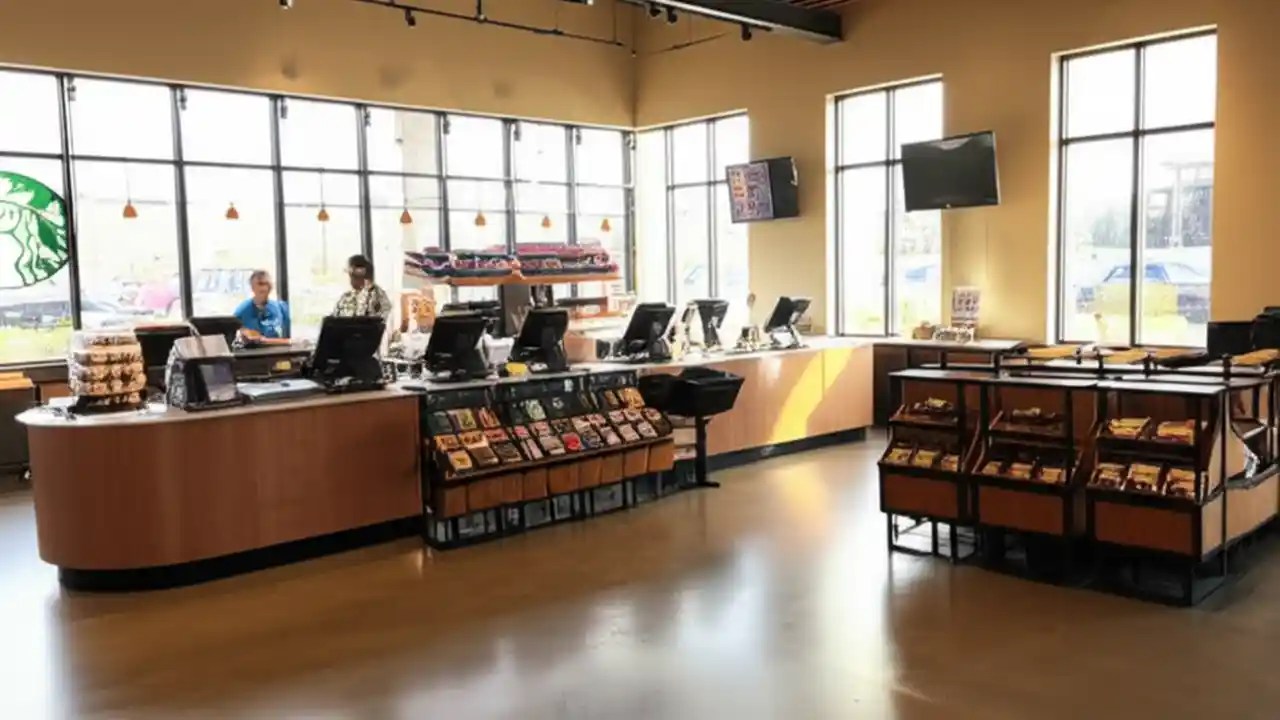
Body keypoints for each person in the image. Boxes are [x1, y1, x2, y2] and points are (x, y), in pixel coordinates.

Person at [232, 270, 290, 339]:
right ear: (252, 287)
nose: (264, 288)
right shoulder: (242, 311)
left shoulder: (281, 308)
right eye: (260, 284)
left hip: (279, 348)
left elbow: (288, 337)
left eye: (267, 284)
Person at [333, 254, 392, 321]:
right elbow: (333, 320)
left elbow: (381, 323)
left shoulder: (376, 295)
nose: (346, 276)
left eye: (347, 271)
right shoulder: (346, 297)